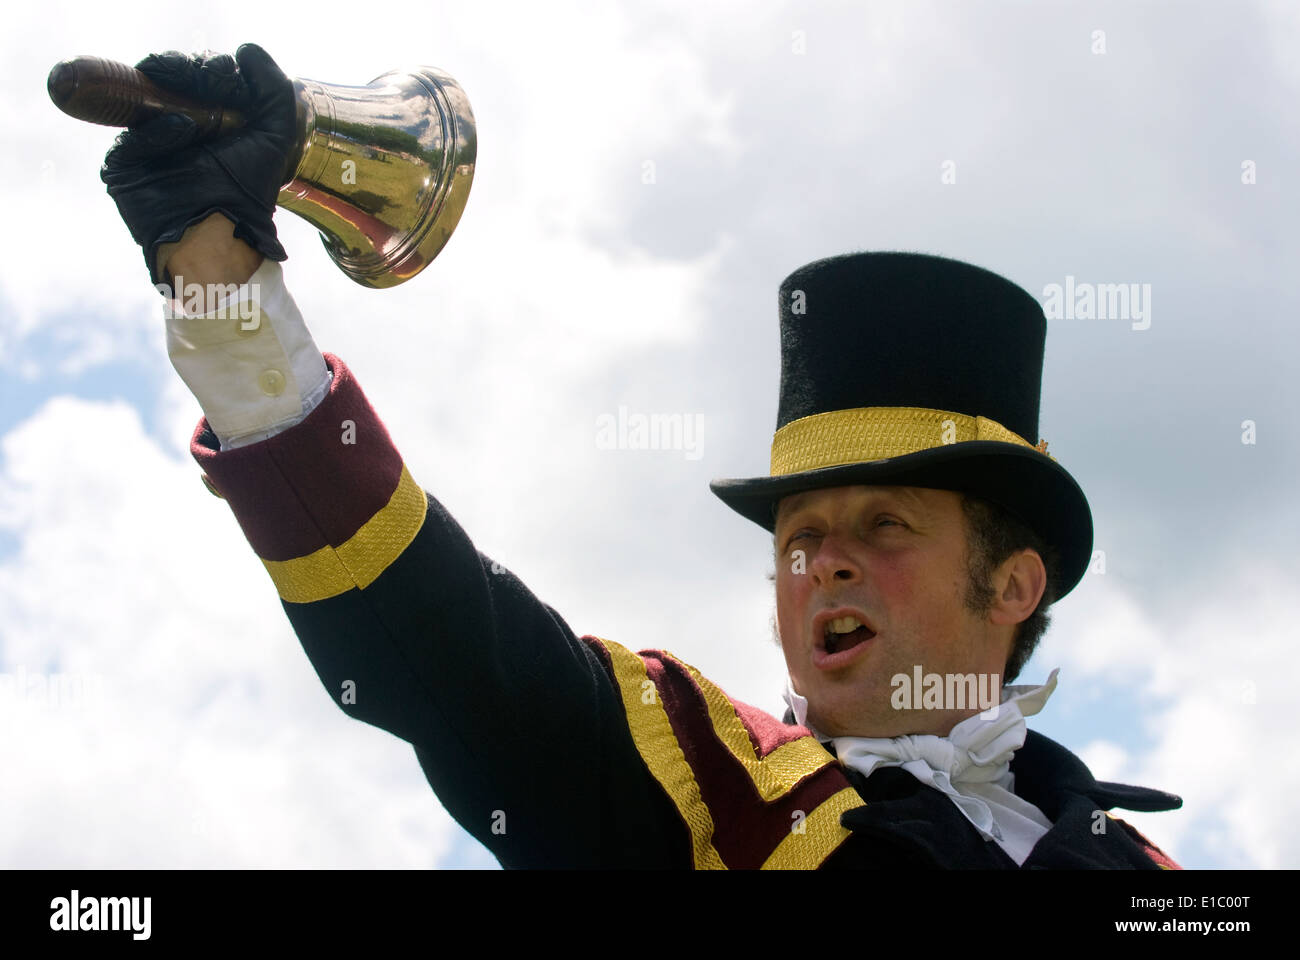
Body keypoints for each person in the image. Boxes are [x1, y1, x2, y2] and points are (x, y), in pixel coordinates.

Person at [101, 44, 1183, 869]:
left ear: (1013, 582)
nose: (823, 564)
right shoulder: (698, 780)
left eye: (883, 525)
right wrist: (220, 287)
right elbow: (446, 654)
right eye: (799, 539)